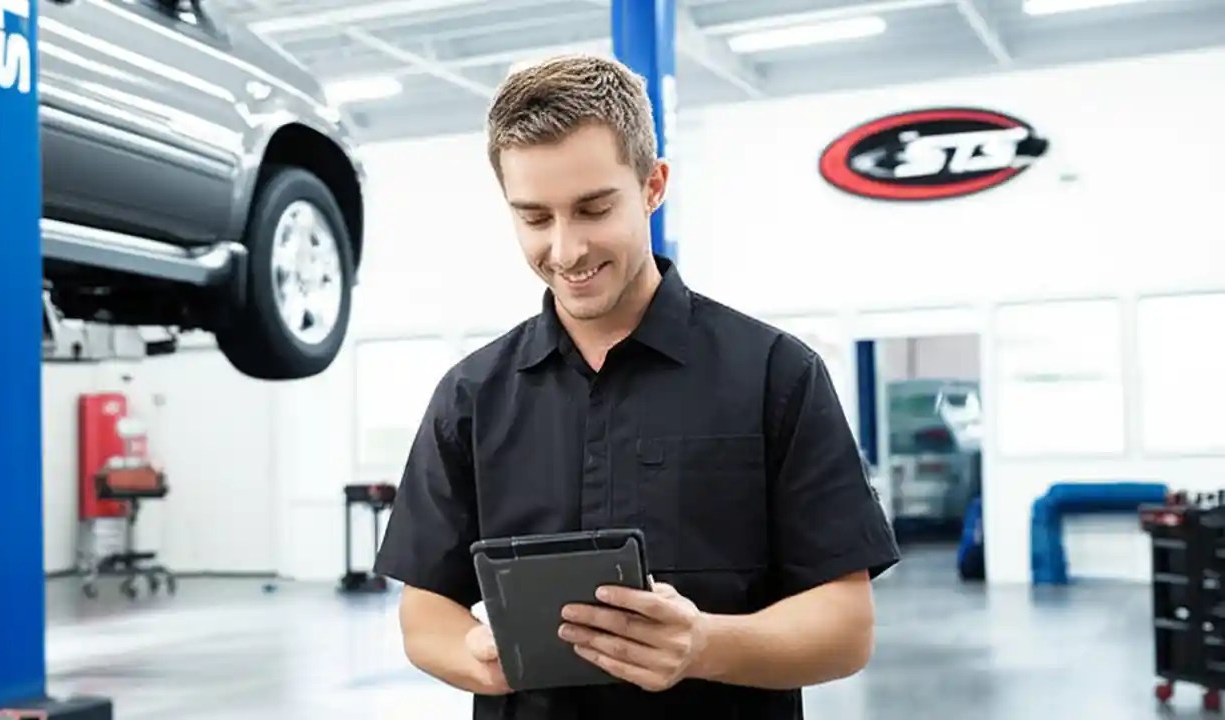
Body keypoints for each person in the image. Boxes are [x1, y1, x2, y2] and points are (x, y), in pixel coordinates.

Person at [372, 54, 900, 720]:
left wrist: (706, 644)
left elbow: (846, 626)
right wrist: (475, 653)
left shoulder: (776, 374)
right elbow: (423, 611)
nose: (566, 251)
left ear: (654, 186)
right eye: (534, 218)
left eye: (594, 209)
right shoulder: (471, 397)